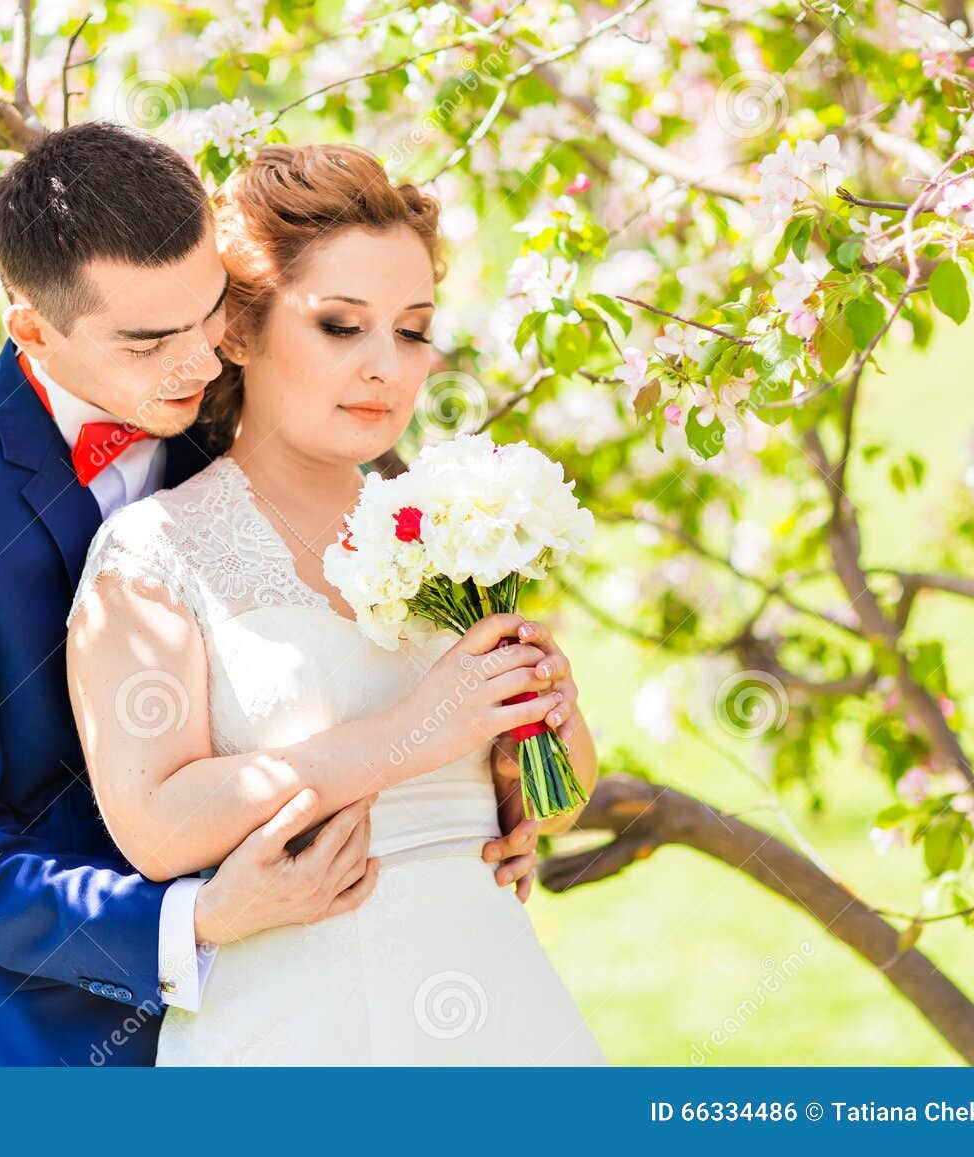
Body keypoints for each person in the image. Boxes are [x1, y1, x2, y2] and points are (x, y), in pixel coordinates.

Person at [0, 123, 383, 1066]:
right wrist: (193, 920)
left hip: (321, 1002)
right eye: (149, 342)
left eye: (209, 313)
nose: (203, 363)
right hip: (63, 1043)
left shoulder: (259, 406)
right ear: (32, 330)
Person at [66, 143, 610, 1064]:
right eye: (341, 326)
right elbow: (156, 827)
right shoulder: (153, 550)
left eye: (412, 330)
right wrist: (417, 729)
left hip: (501, 1013)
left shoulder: (452, 531)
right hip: (292, 1028)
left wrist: (544, 716)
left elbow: (548, 809)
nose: (386, 367)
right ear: (238, 331)